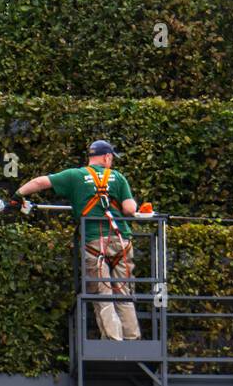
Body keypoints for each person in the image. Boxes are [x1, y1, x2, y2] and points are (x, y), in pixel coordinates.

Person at [15, 139, 142, 341]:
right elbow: (129, 209)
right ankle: (132, 339)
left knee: (102, 292)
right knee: (123, 291)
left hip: (93, 242)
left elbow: (40, 182)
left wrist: (17, 196)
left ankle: (114, 340)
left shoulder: (75, 175)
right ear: (107, 157)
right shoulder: (118, 177)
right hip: (121, 241)